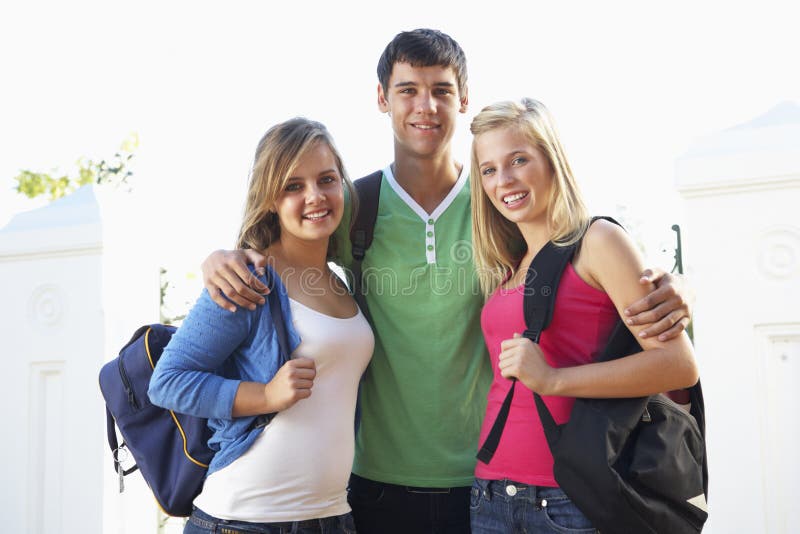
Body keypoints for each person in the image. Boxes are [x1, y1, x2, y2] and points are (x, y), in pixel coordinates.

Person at [198, 29, 694, 534]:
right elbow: (287, 243)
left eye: (441, 89)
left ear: (463, 98)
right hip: (374, 481)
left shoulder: (496, 203)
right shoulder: (354, 207)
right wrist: (222, 258)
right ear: (382, 99)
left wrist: (670, 285)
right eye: (408, 89)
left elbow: (573, 256)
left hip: (484, 482)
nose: (425, 106)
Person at [467, 97, 699, 533]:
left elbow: (678, 365)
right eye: (489, 169)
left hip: (565, 498)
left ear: (552, 160)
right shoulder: (510, 265)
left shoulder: (597, 240)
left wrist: (554, 380)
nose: (505, 180)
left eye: (519, 159)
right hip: (490, 494)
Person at [148, 117, 373, 534]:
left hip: (332, 518)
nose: (315, 196)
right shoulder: (249, 278)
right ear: (270, 198)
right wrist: (266, 395)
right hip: (246, 520)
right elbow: (168, 382)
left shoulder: (343, 283)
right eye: (293, 186)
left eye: (326, 179)